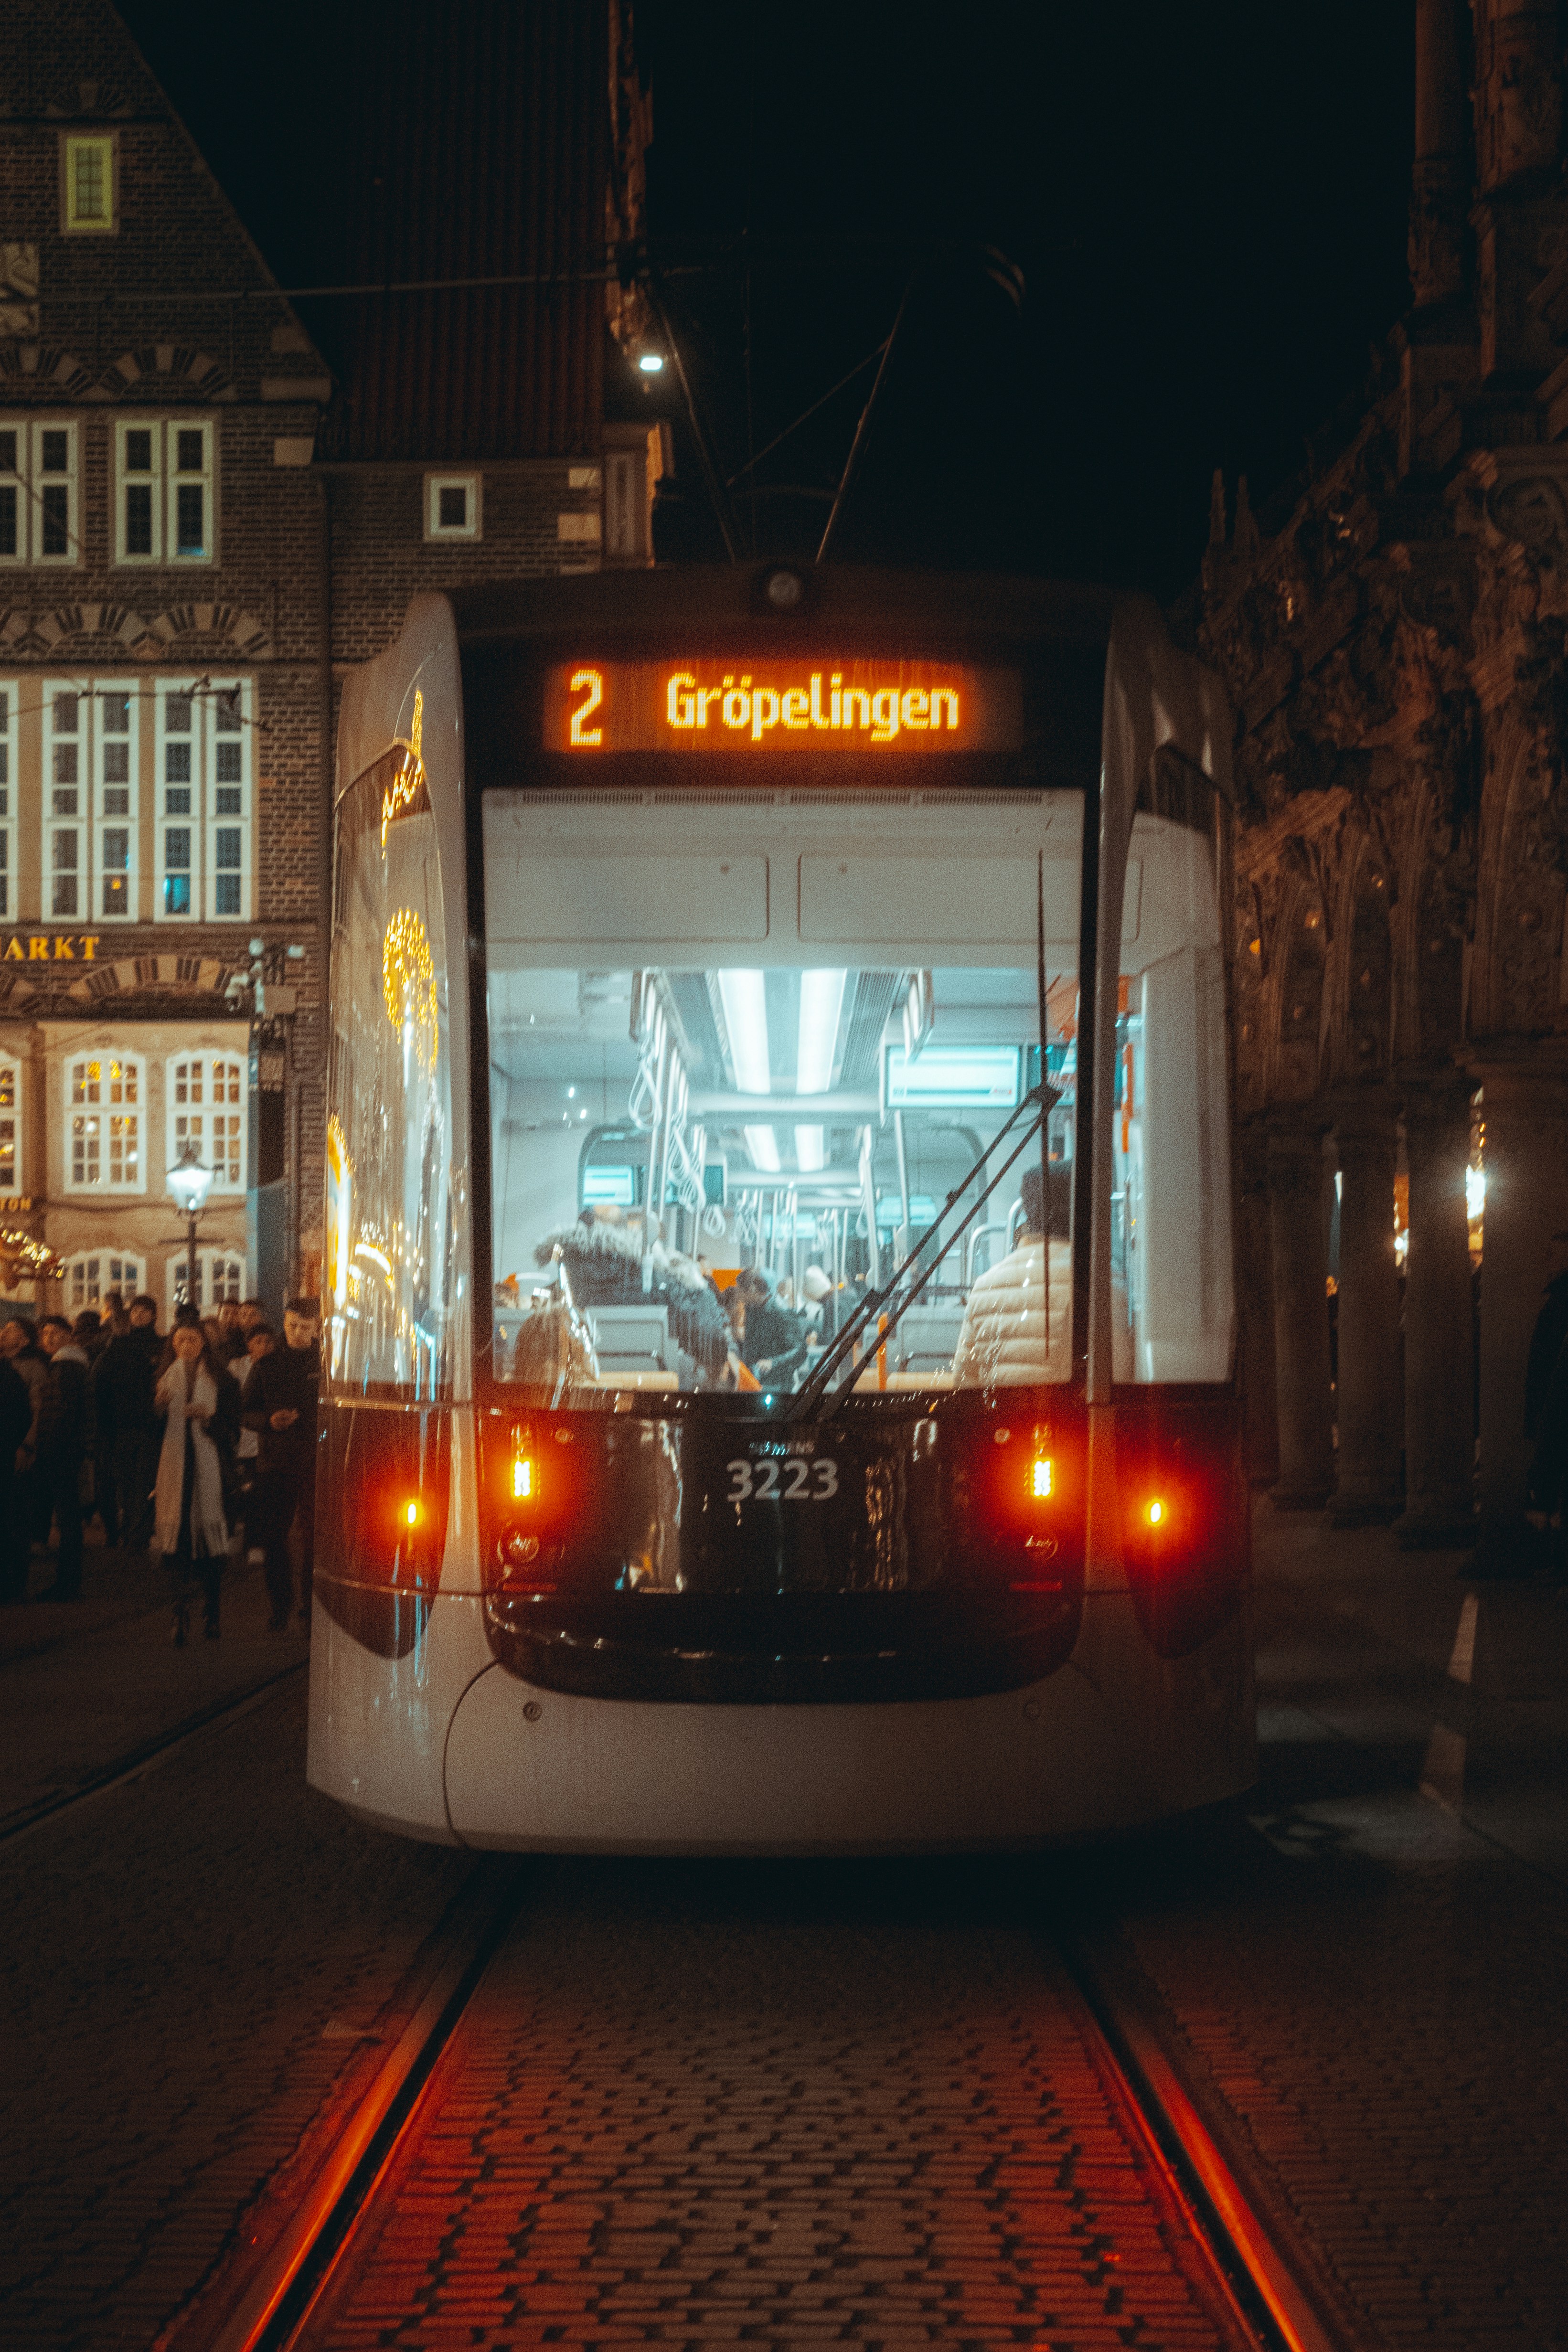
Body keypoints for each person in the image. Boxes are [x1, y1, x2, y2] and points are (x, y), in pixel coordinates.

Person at [532, 1208, 734, 1383]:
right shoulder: (655, 1279)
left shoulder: (561, 1285)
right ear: (625, 1232)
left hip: (582, 1380)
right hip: (648, 1385)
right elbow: (706, 1335)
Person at [153, 1316, 239, 1643]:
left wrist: (210, 1418)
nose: (186, 1346)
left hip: (210, 1469)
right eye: (180, 1341)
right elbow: (152, 1432)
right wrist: (159, 1411)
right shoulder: (165, 1379)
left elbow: (232, 1430)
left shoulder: (222, 1380)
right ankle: (179, 1611)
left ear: (203, 1343)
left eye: (192, 1340)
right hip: (176, 1470)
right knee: (179, 1549)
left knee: (210, 1550)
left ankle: (212, 1611)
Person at [951, 1163, 1074, 1387]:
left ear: (1027, 1211)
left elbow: (964, 1384)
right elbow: (1118, 1378)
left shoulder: (984, 1287)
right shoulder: (1100, 1282)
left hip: (999, 1422)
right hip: (1075, 1420)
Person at [244, 1296, 321, 1631]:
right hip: (276, 1461)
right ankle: (280, 1603)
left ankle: (310, 1607)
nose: (298, 1334)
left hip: (315, 1461)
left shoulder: (328, 1365)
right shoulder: (267, 1365)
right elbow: (246, 1410)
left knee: (314, 1539)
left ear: (317, 1327)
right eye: (292, 1326)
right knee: (274, 1538)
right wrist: (268, 1420)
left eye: (305, 1327)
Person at [93, 1295, 163, 1550]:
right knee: (122, 1480)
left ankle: (137, 1533)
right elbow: (101, 1382)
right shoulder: (118, 1345)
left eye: (147, 1311)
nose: (141, 1315)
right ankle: (121, 1530)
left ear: (154, 1315)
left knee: (143, 1481)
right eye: (137, 1310)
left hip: (147, 1425)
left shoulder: (159, 1346)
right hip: (119, 1424)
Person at [33, 1313, 91, 1600]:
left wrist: (44, 1449)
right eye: (45, 1333)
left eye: (56, 1332)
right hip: (68, 1449)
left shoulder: (66, 1366)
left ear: (69, 1335)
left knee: (67, 1517)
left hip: (61, 1451)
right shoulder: (70, 1364)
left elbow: (61, 1412)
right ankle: (68, 1581)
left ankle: (67, 1583)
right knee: (68, 1516)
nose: (50, 1338)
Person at [0, 1348, 35, 1602]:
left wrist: (22, 1447)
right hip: (10, 1453)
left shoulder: (9, 1380)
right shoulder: (11, 1377)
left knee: (9, 1522)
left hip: (8, 1456)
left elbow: (21, 1416)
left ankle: (11, 1586)